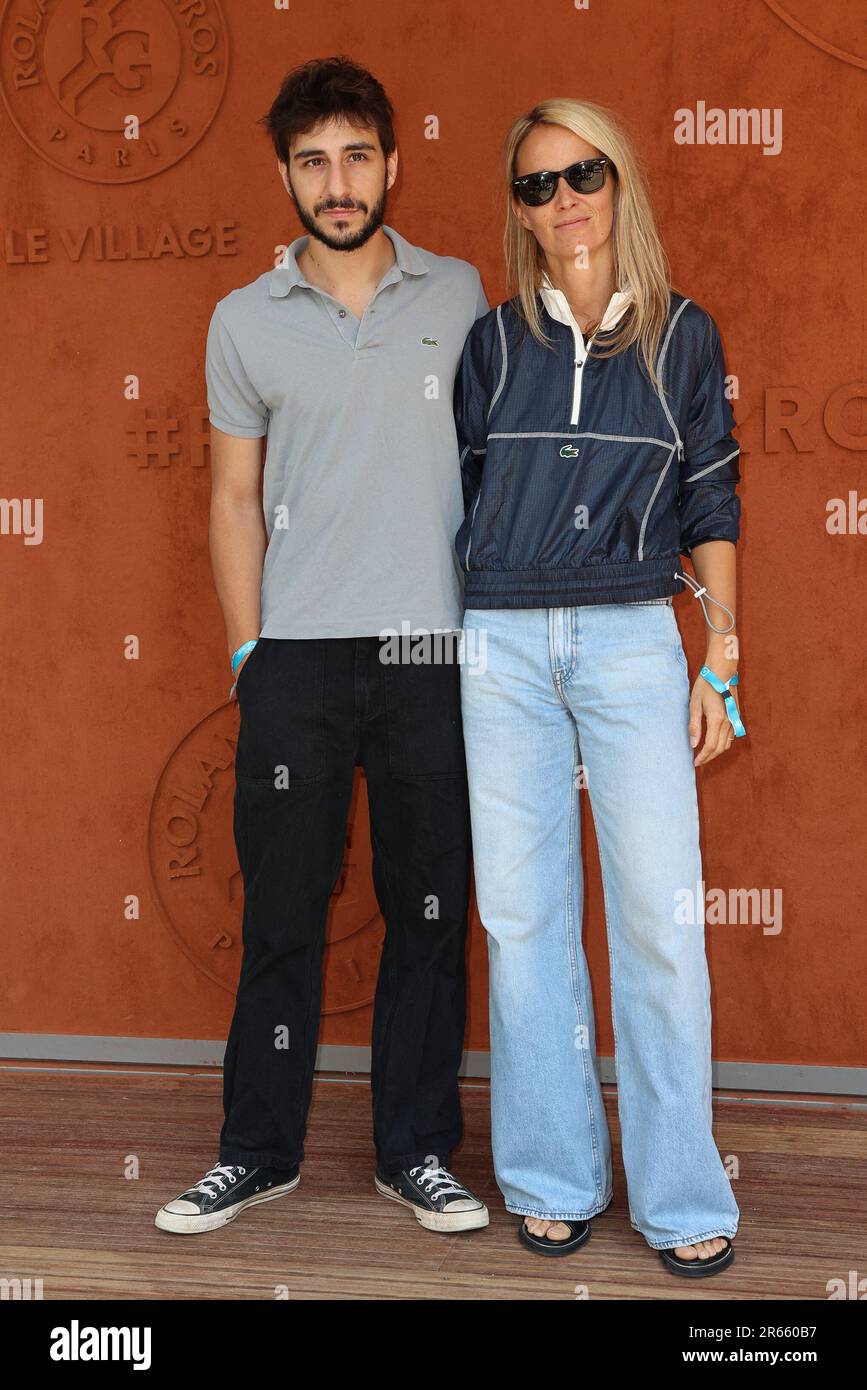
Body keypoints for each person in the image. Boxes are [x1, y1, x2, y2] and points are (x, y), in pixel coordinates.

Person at [155, 56, 490, 1237]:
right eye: (313, 162)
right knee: (284, 911)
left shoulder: (459, 296)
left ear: (393, 164)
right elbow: (233, 496)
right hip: (296, 652)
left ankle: (416, 1150)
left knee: (431, 907)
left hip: (426, 653)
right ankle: (257, 1150)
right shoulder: (241, 321)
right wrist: (252, 653)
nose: (337, 183)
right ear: (286, 176)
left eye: (357, 157)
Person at [453, 98, 743, 1276]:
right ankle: (552, 1172)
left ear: (619, 182)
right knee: (523, 925)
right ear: (518, 211)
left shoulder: (686, 337)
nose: (562, 200)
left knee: (663, 925)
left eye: (581, 174)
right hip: (502, 650)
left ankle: (680, 1191)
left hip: (632, 640)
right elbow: (457, 504)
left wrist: (720, 663)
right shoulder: (490, 344)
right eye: (535, 185)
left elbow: (713, 503)